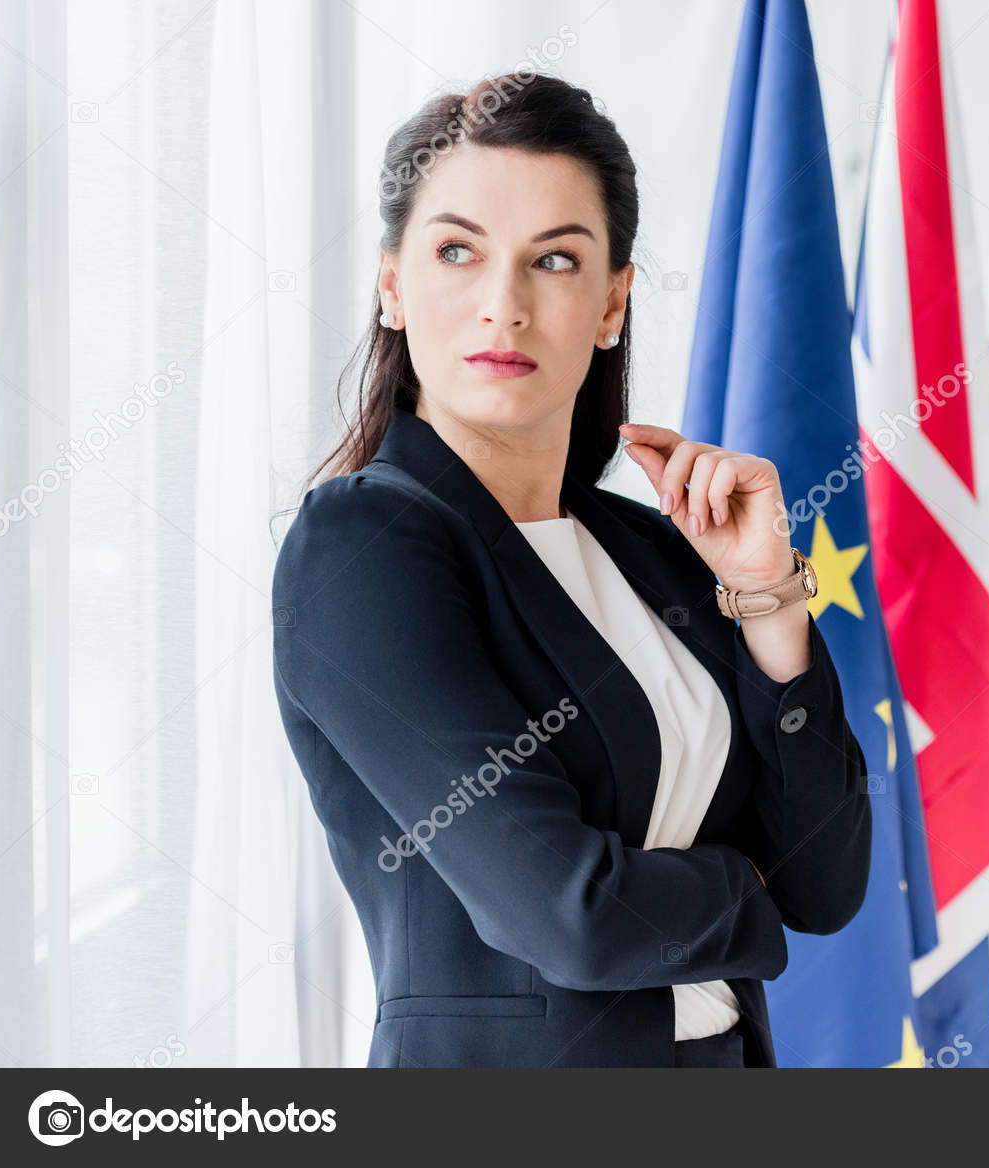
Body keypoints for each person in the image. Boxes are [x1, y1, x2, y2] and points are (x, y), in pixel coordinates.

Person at [270, 71, 872, 1068]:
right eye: (457, 250)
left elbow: (828, 883)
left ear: (610, 304)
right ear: (392, 285)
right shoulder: (365, 548)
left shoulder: (654, 549)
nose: (502, 306)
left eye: (553, 259)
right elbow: (568, 913)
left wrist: (767, 603)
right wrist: (749, 893)